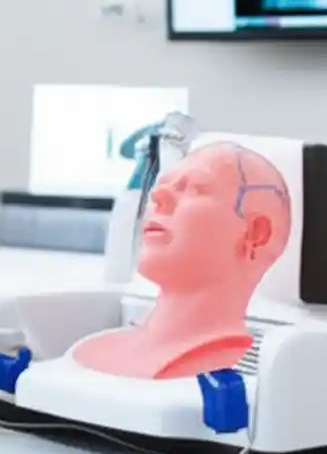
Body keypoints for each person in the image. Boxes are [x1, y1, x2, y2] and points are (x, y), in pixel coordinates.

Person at [73, 142, 291, 379]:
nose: (158, 196)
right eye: (161, 185)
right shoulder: (90, 349)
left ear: (256, 234)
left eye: (195, 188)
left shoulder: (223, 373)